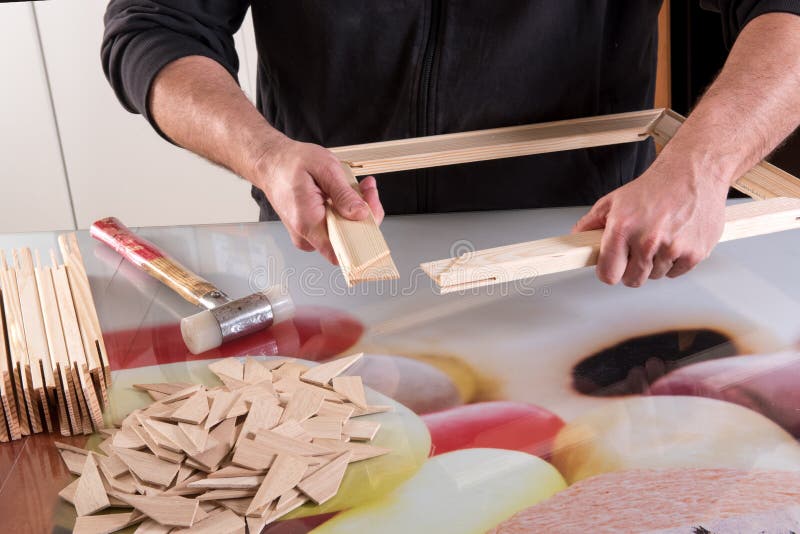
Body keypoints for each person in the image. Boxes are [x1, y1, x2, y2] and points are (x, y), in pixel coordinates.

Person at [102, 1, 800, 287]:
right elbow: (153, 26)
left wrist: (701, 167)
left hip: (580, 253)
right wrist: (263, 152)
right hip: (322, 242)